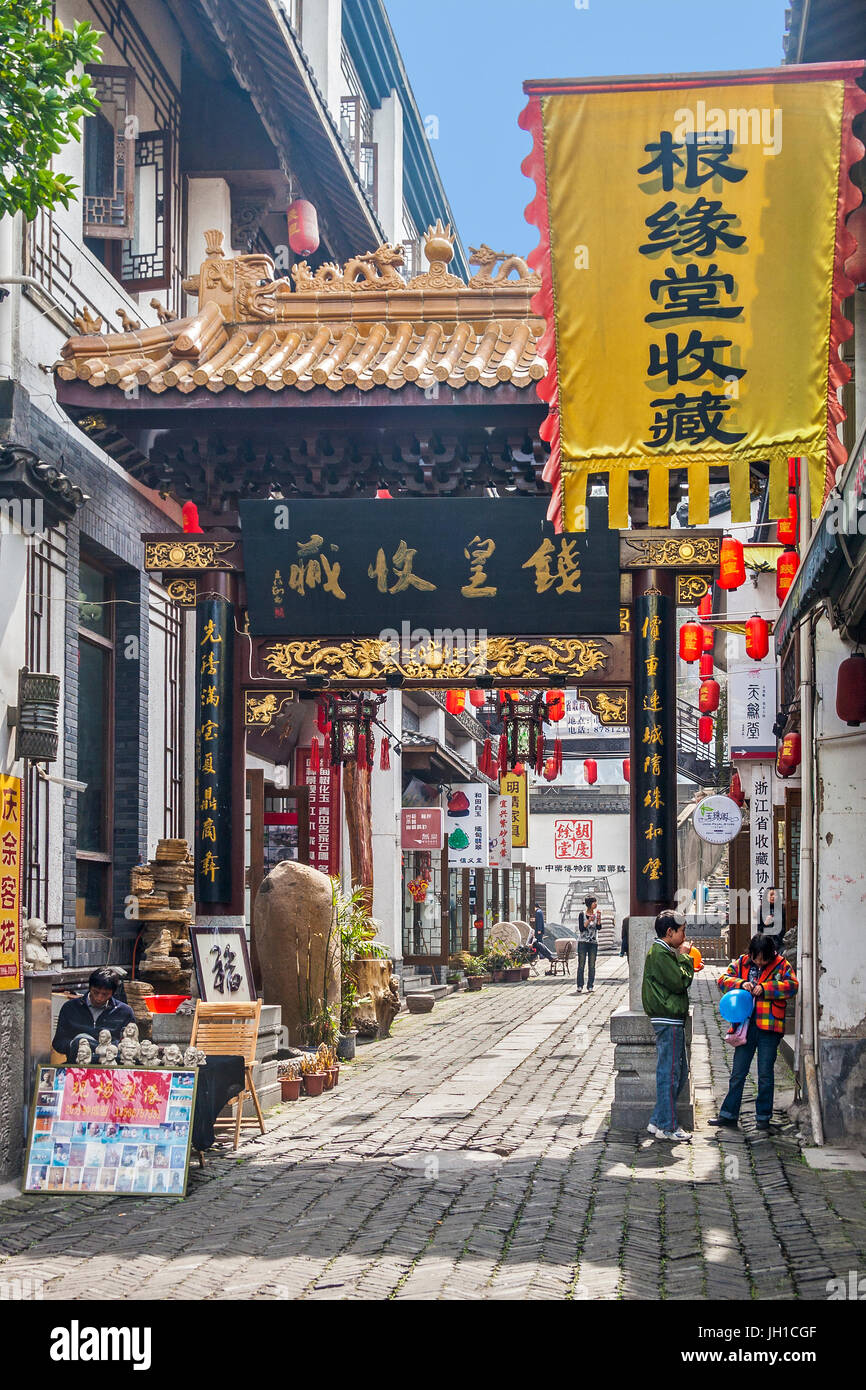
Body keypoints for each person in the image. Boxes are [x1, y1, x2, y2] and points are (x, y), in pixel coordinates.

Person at [710, 934, 799, 1134]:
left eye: (763, 959)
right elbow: (723, 980)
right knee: (738, 1072)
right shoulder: (742, 962)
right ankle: (728, 1115)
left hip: (770, 1027)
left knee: (765, 1074)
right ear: (750, 953)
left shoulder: (781, 964)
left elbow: (792, 986)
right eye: (756, 958)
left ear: (771, 954)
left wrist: (766, 988)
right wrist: (742, 984)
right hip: (745, 1026)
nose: (759, 962)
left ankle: (763, 1119)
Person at [641, 910, 695, 1141]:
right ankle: (667, 1126)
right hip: (668, 1018)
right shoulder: (661, 953)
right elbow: (679, 981)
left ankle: (657, 1119)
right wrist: (684, 957)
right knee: (670, 1073)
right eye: (681, 931)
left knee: (677, 1072)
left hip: (670, 1017)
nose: (684, 936)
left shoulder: (662, 951)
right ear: (670, 932)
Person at [52, 968, 136, 1063]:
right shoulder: (70, 1008)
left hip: (110, 1068)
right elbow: (58, 1042)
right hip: (77, 1066)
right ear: (89, 987)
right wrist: (74, 1044)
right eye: (95, 992)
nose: (99, 998)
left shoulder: (124, 1012)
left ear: (113, 992)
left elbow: (131, 1043)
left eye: (105, 994)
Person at [576, 896, 600, 992]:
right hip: (582, 942)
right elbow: (581, 928)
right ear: (590, 904)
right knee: (581, 964)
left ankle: (590, 985)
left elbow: (599, 927)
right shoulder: (582, 914)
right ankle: (580, 985)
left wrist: (598, 919)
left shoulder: (595, 914)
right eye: (594, 902)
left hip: (593, 942)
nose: (596, 904)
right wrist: (589, 920)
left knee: (592, 965)